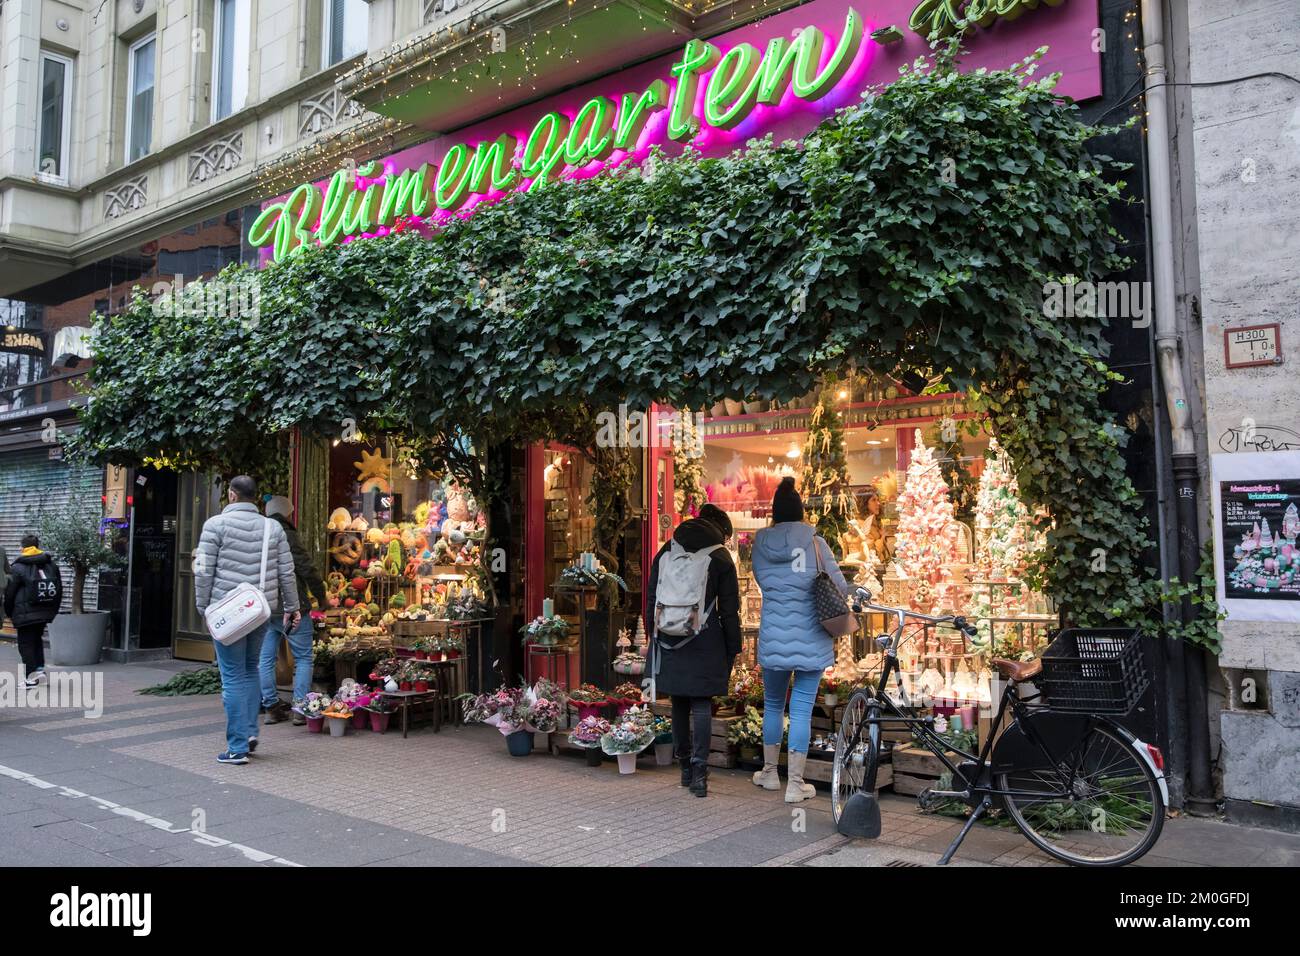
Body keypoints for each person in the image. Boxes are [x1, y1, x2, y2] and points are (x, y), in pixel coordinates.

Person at [751, 476, 849, 802]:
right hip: (811, 637)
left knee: (774, 705)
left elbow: (765, 582)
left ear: (774, 514)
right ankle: (795, 783)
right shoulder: (816, 544)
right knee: (802, 709)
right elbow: (839, 587)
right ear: (802, 512)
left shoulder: (760, 545)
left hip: (774, 636)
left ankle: (768, 773)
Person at [194, 475, 300, 765]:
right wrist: (293, 606)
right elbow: (286, 572)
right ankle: (250, 733)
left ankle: (237, 747)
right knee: (251, 670)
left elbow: (203, 571)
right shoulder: (273, 528)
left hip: (227, 614)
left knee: (232, 678)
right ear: (255, 497)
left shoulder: (214, 526)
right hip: (259, 611)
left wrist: (203, 607)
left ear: (231, 495)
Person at [644, 503, 742, 798]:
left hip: (669, 636)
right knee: (701, 704)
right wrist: (732, 648)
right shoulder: (721, 558)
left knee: (679, 703)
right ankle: (700, 775)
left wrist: (654, 634)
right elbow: (729, 611)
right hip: (705, 637)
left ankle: (685, 767)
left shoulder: (667, 550)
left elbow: (651, 595)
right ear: (721, 532)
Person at [258, 495, 326, 726]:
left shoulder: (259, 533)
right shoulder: (287, 534)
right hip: (292, 605)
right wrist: (321, 596)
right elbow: (306, 567)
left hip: (266, 606)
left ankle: (270, 707)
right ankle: (299, 708)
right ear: (288, 514)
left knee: (265, 658)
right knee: (304, 658)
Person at [4, 534, 63, 687]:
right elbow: (59, 589)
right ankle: (40, 674)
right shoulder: (51, 564)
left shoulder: (17, 567)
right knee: (37, 642)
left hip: (24, 614)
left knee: (26, 645)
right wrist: (53, 610)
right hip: (44, 611)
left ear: (22, 547)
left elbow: (10, 593)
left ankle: (31, 679)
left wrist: (8, 612)